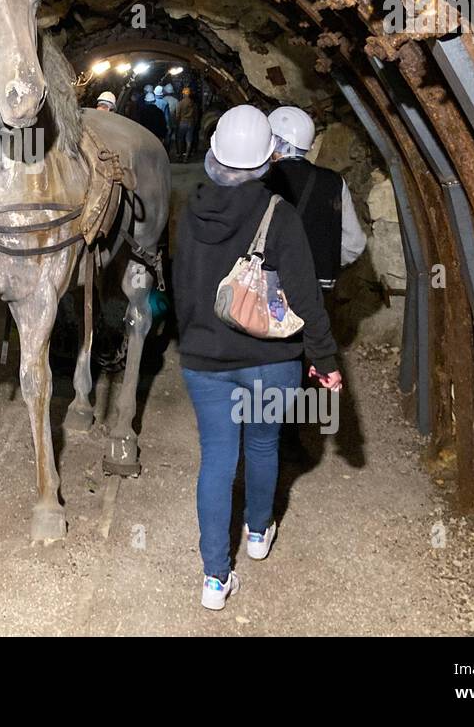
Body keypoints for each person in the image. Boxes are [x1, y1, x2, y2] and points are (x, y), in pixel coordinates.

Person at [173, 104, 342, 611]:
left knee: (217, 463)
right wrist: (325, 358)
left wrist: (196, 340)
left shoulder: (188, 213)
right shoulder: (279, 214)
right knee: (264, 447)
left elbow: (181, 287)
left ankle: (214, 579)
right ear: (269, 158)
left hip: (206, 363)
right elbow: (306, 297)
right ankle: (256, 533)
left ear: (214, 155)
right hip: (272, 361)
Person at [265, 106, 367, 290]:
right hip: (313, 289)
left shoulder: (261, 180)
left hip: (265, 285)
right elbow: (354, 244)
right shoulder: (334, 182)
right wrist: (324, 261)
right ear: (309, 145)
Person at [176, 87, 199, 161]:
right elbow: (196, 116)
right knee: (189, 140)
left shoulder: (180, 103)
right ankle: (186, 157)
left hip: (182, 123)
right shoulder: (193, 104)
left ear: (183, 94)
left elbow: (177, 115)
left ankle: (180, 155)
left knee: (180, 139)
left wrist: (177, 123)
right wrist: (195, 123)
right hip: (191, 123)